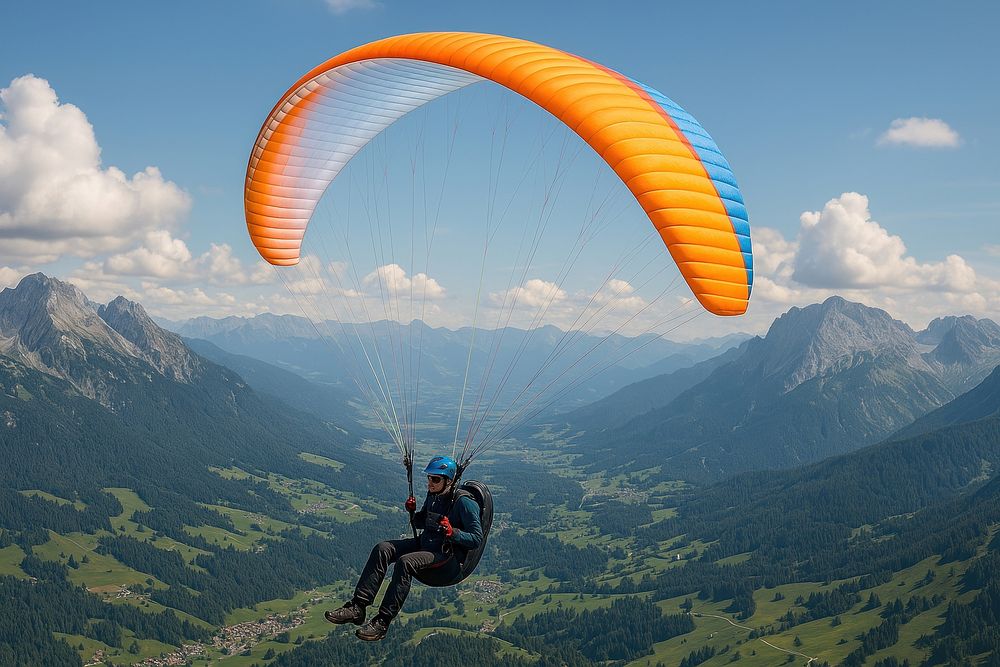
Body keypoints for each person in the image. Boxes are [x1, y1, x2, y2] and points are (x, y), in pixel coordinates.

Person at [325, 455, 484, 641]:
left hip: (445, 556)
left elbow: (476, 539)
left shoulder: (465, 503)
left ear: (448, 481)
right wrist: (413, 512)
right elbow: (422, 522)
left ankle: (382, 622)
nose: (430, 483)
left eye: (435, 479)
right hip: (425, 544)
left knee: (405, 562)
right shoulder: (434, 496)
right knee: (382, 548)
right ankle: (358, 607)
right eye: (429, 478)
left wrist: (453, 532)